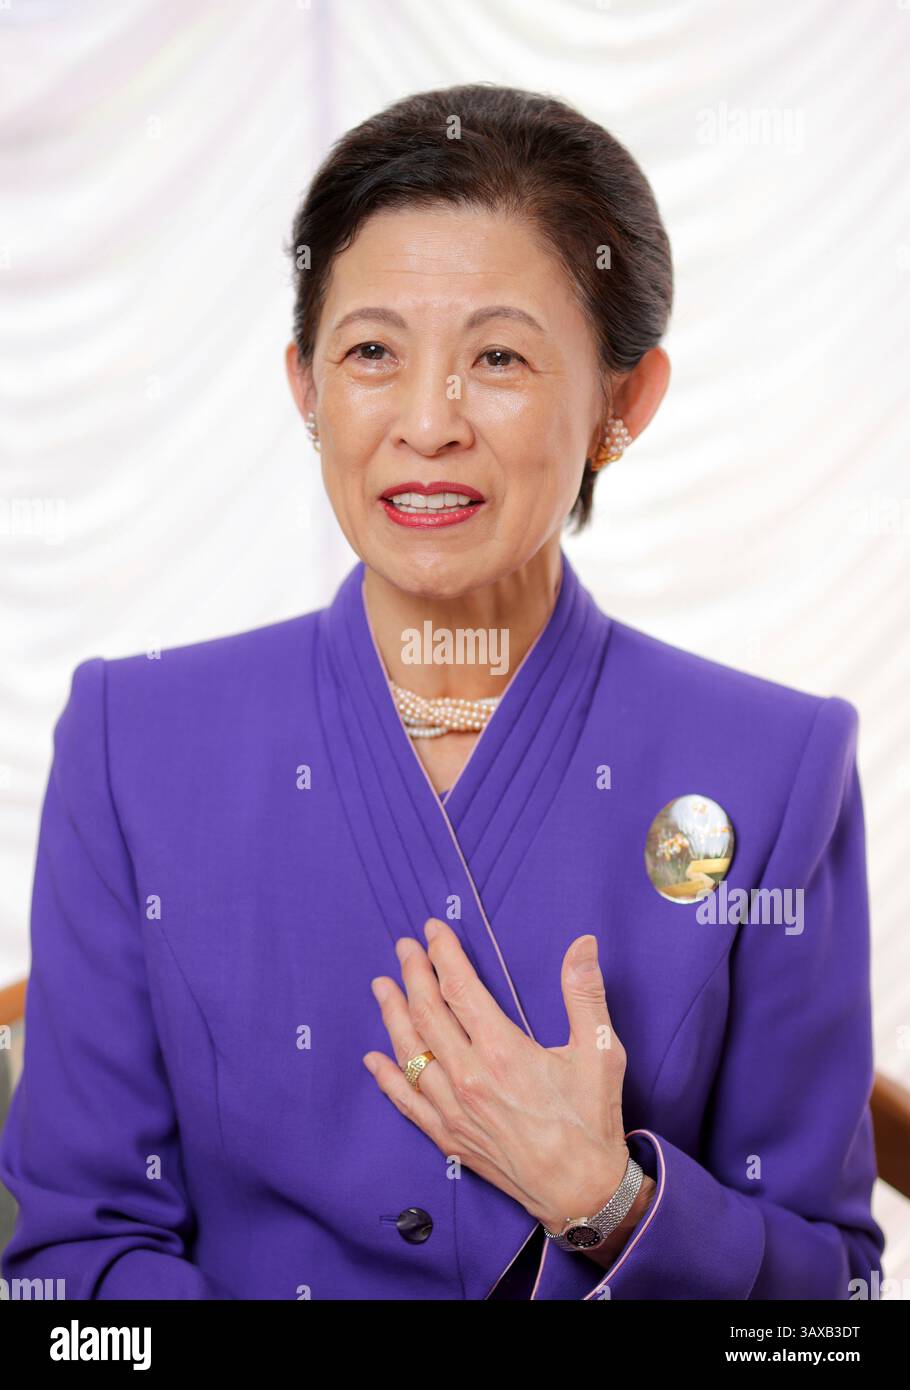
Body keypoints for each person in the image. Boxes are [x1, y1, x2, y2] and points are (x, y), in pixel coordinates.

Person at [0, 83, 884, 1300]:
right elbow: (71, 1273)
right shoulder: (134, 743)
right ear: (306, 387)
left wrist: (610, 1201)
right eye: (372, 352)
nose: (428, 422)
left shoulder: (776, 767)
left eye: (499, 357)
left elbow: (826, 1314)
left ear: (621, 404)